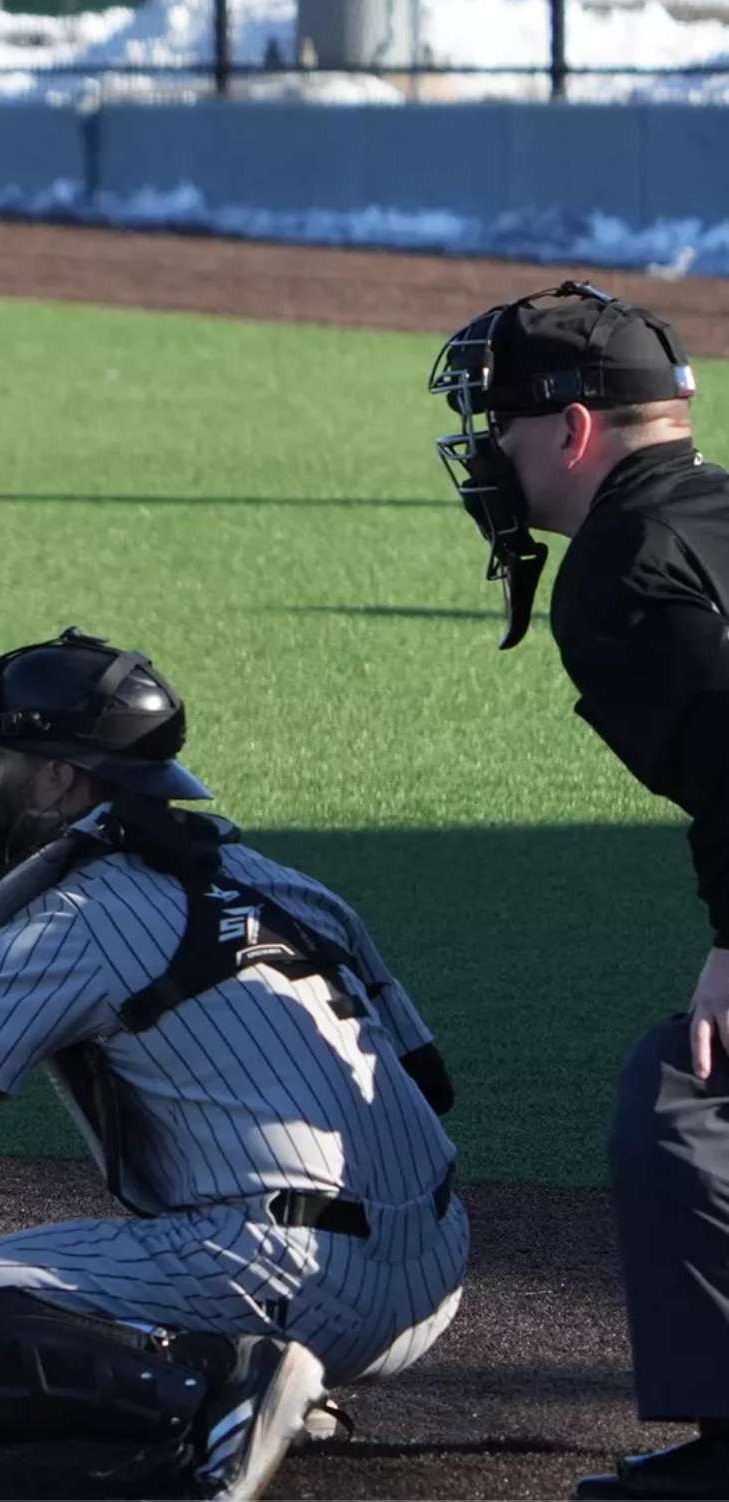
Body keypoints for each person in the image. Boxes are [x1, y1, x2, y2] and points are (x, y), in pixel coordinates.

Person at [0, 629, 465, 1501]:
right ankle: (279, 1380)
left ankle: (222, 1383)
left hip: (276, 1267)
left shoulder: (77, 917)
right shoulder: (287, 883)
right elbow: (429, 1085)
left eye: (5, 754)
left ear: (62, 779)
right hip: (436, 1270)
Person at [428, 282, 728, 1499]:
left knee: (683, 1108)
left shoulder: (621, 562)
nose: (487, 452)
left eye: (497, 425)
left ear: (571, 429)